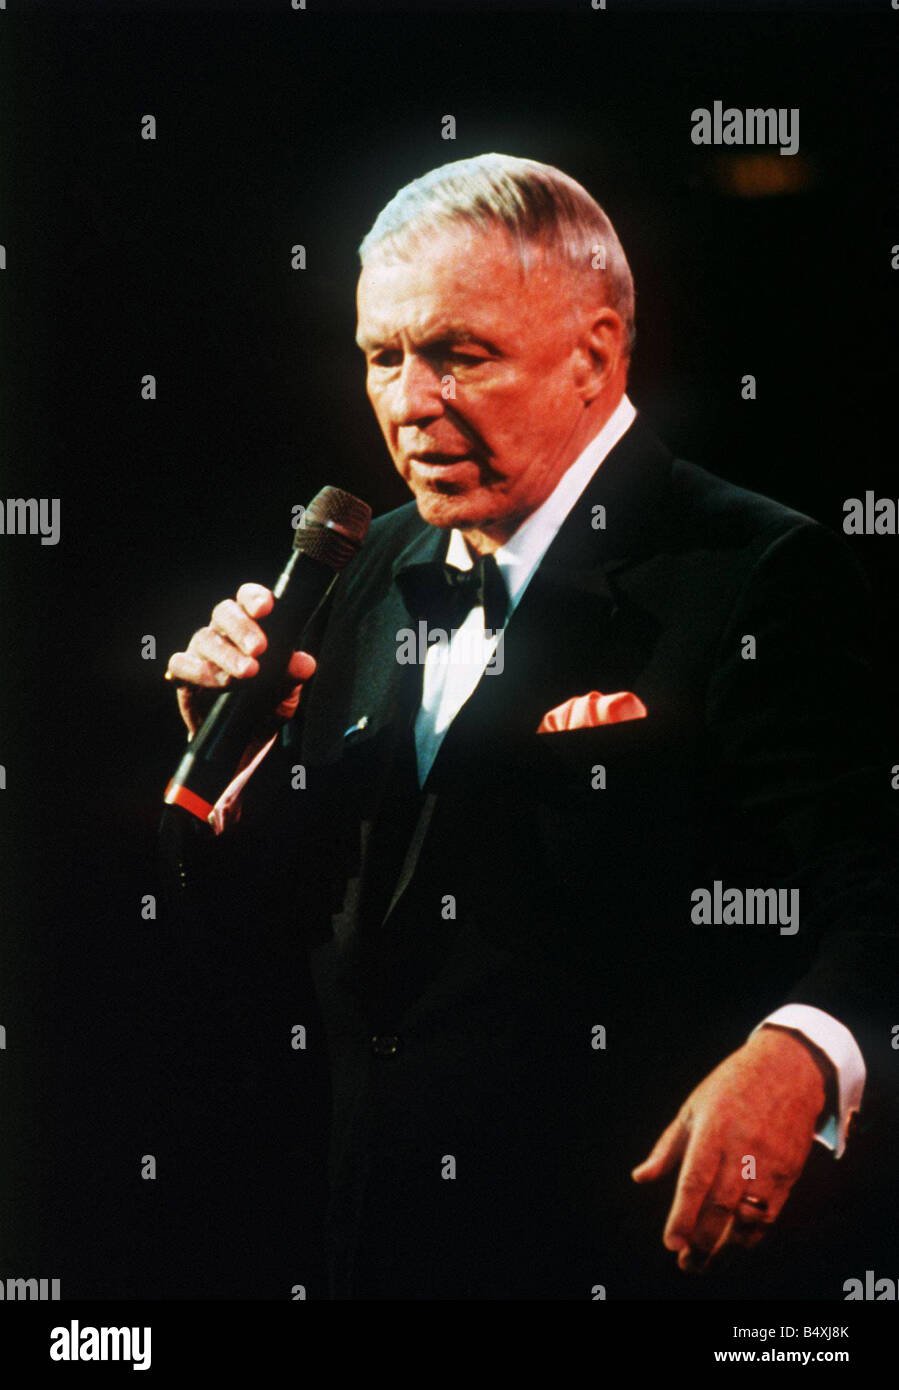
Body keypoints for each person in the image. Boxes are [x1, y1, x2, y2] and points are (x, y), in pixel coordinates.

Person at [163, 154, 898, 1300]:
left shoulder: (755, 571)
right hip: (368, 1244)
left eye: (460, 354)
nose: (409, 402)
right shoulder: (369, 564)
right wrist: (243, 764)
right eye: (382, 358)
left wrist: (803, 1046)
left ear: (595, 355)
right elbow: (316, 940)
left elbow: (877, 880)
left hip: (622, 1250)